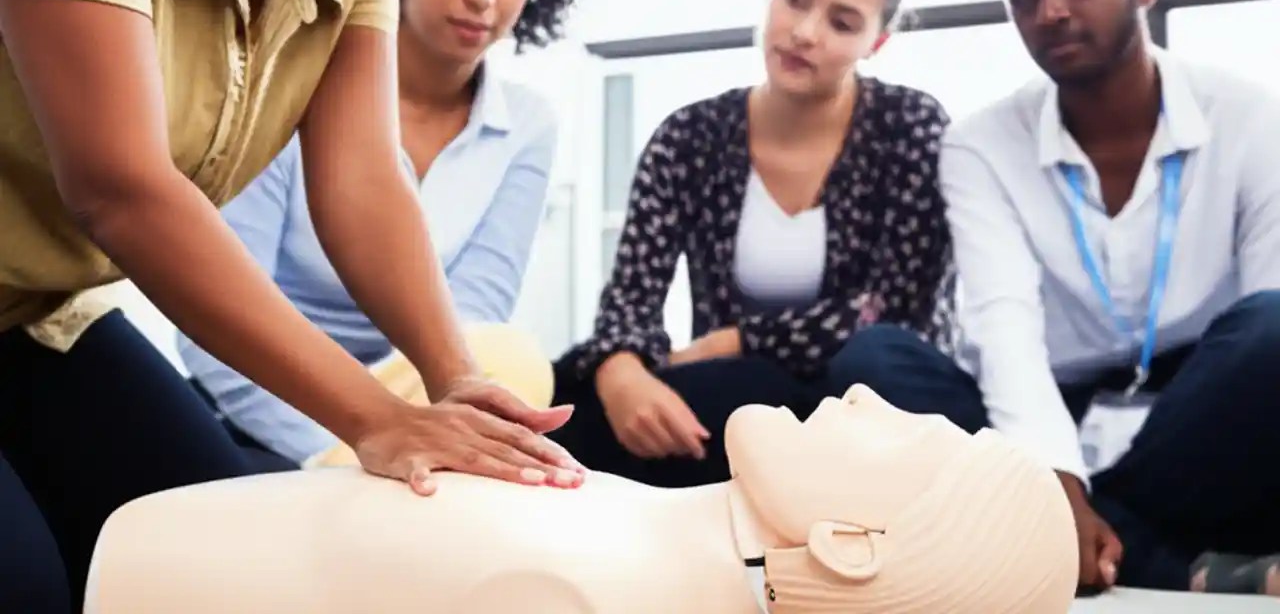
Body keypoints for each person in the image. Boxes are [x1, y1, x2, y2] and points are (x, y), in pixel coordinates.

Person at [0, 0, 584, 610]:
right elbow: (122, 189)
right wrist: (377, 418)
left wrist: (455, 378)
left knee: (227, 566)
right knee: (23, 583)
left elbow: (364, 183)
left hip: (36, 313)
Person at [855, 0, 1280, 597]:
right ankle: (1171, 563)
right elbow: (1005, 329)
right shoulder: (981, 145)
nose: (1047, 11)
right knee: (874, 364)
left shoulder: (1250, 117)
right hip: (1039, 404)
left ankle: (1071, 540)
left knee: (1276, 326)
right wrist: (1053, 487)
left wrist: (1061, 506)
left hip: (1197, 408)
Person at [551, 0, 974, 489]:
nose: (805, 31)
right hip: (747, 402)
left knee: (868, 362)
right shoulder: (689, 137)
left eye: (842, 22)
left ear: (876, 41)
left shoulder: (911, 126)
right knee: (565, 399)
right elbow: (629, 300)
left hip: (877, 408)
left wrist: (735, 339)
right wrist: (621, 372)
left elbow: (896, 313)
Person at [178, 0, 593, 471]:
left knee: (512, 358)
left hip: (417, 403)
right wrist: (343, 448)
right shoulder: (295, 72)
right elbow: (211, 323)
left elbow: (474, 323)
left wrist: (424, 420)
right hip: (272, 408)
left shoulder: (529, 125)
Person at [84, 385, 1078, 614]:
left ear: (851, 545)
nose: (865, 398)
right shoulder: (635, 538)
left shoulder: (590, 589)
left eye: (914, 441)